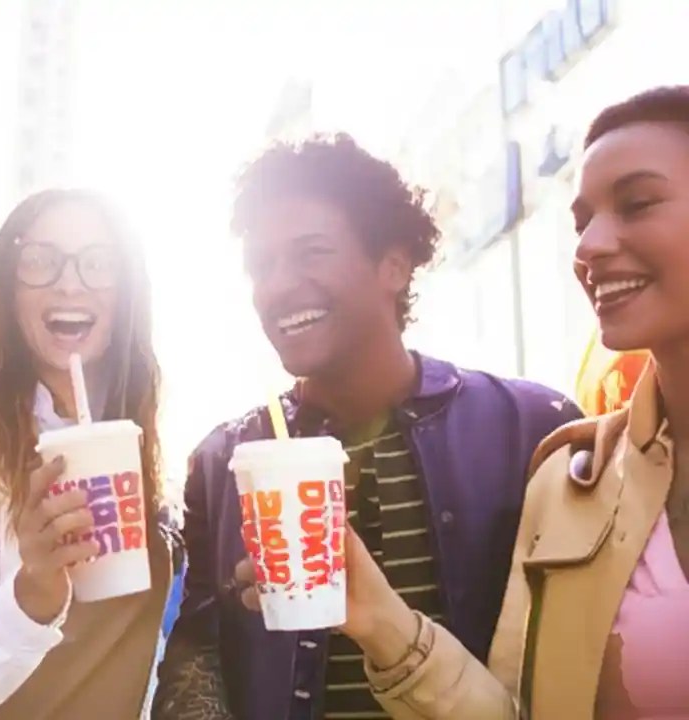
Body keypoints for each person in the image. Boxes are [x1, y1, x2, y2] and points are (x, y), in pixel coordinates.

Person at [154, 134, 582, 720]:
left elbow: (581, 653)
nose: (278, 285)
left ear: (394, 265)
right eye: (262, 265)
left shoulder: (531, 429)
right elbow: (195, 655)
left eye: (310, 252)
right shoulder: (223, 463)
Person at [322, 85, 689, 719]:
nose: (590, 246)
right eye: (582, 221)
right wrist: (374, 614)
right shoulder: (571, 482)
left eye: (637, 203)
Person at [0, 188, 182, 719]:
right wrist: (33, 590)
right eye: (40, 261)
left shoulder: (148, 433)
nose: (69, 281)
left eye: (98, 263)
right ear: (10, 291)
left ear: (126, 291)